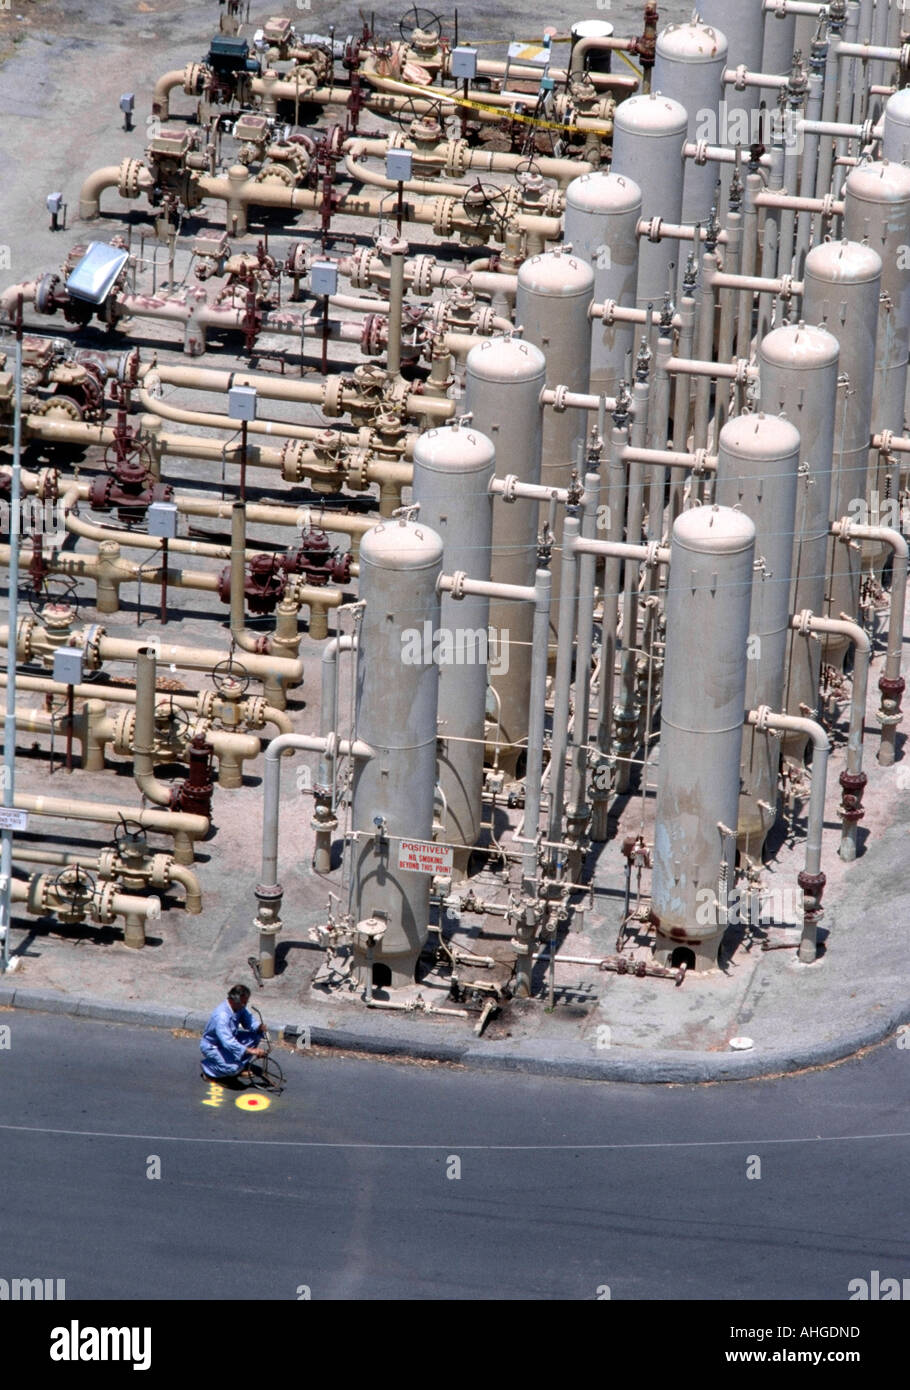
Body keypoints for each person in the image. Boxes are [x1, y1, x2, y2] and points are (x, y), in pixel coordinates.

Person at [200, 984, 266, 1083]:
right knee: (233, 1068)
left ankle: (238, 1065)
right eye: (243, 1003)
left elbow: (248, 1020)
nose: (245, 1005)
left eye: (246, 1002)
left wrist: (258, 1027)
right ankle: (209, 1069)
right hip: (214, 1046)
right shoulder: (222, 1017)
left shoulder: (239, 1007)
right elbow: (228, 1042)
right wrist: (250, 1050)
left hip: (231, 1038)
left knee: (255, 1036)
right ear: (234, 1001)